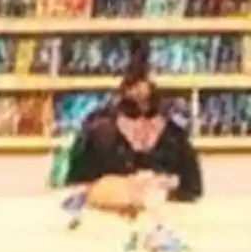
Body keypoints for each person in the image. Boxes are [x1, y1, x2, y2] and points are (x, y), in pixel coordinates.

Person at [67, 68, 202, 211]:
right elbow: (75, 187)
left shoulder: (175, 137)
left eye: (150, 114)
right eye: (133, 114)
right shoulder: (97, 133)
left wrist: (166, 186)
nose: (142, 125)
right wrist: (119, 188)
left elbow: (193, 189)